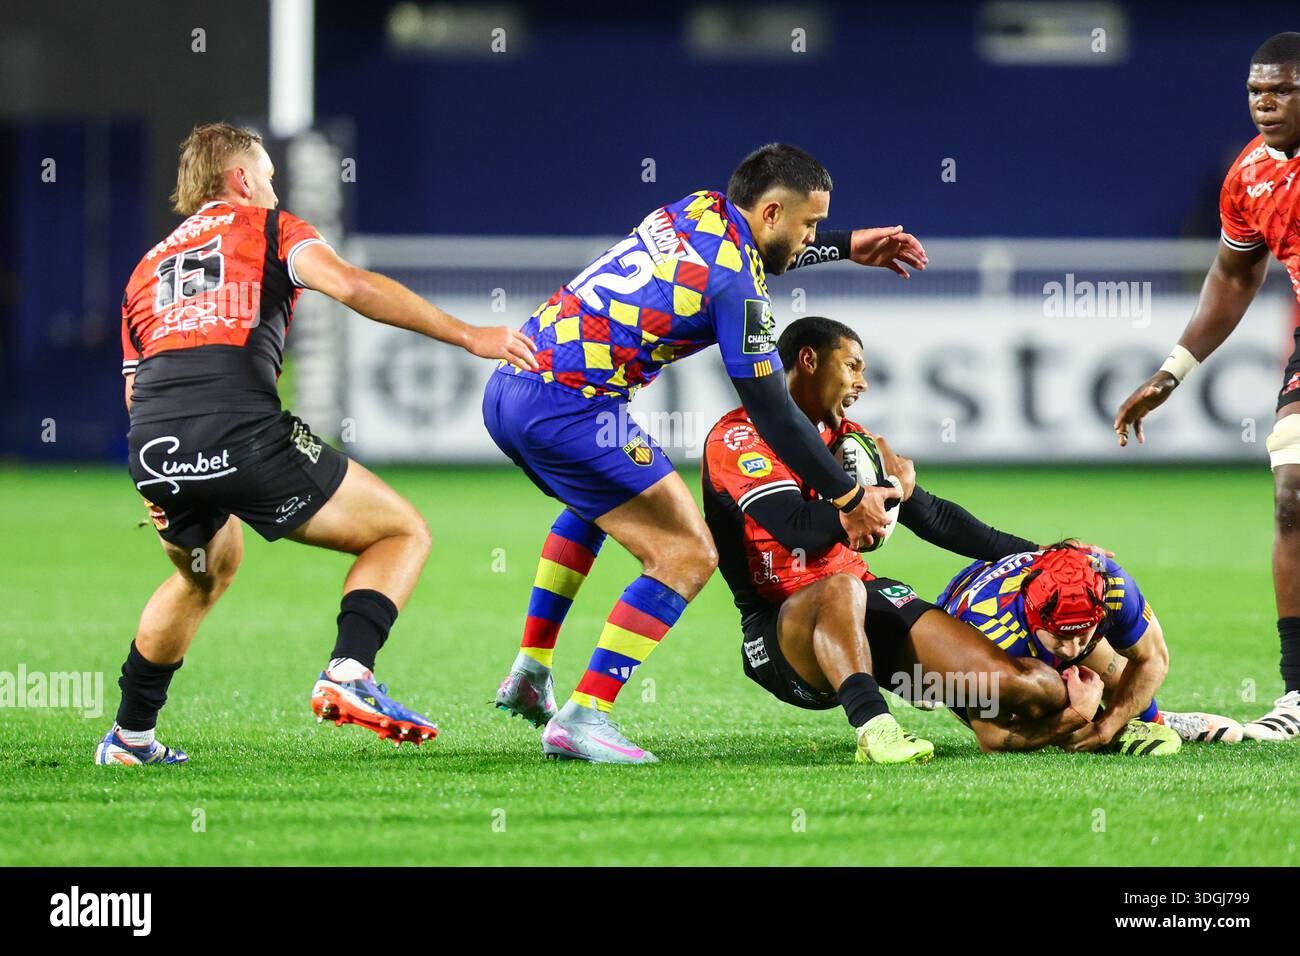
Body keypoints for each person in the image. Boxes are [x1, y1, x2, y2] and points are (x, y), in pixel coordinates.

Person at [98, 122, 536, 766]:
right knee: (400, 532)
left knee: (201, 576)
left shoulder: (146, 269)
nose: (274, 188)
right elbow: (353, 287)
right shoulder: (269, 230)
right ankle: (349, 672)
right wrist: (471, 335)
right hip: (239, 426)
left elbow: (137, 393)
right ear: (241, 179)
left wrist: (174, 469)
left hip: (154, 447)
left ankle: (129, 738)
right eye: (269, 175)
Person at [486, 144, 928, 763]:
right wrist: (849, 495)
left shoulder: (696, 208)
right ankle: (585, 715)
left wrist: (847, 245)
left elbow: (756, 257)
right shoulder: (737, 284)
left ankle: (532, 670)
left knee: (596, 506)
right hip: (569, 410)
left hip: (511, 386)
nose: (812, 236)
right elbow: (774, 411)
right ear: (772, 211)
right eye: (810, 224)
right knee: (687, 554)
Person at [701, 316, 1097, 764]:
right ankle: (876, 729)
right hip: (782, 635)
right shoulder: (740, 437)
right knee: (841, 588)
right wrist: (862, 501)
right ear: (809, 360)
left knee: (1032, 687)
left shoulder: (854, 442)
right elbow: (796, 529)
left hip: (865, 605)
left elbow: (936, 518)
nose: (862, 383)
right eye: (852, 366)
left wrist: (1048, 555)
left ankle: (1017, 727)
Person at [1113, 32, 1300, 740]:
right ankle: (1299, 694)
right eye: (1256, 91)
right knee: (1293, 498)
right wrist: (1173, 372)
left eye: (1281, 90)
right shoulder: (1250, 176)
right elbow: (1233, 274)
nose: (1264, 103)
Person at [938, 546, 1242, 752]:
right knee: (1049, 689)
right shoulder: (987, 632)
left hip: (1025, 626)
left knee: (1115, 672)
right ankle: (1115, 723)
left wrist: (1105, 727)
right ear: (1033, 617)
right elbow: (992, 740)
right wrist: (1071, 717)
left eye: (1082, 635)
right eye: (1059, 637)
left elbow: (1153, 659)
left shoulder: (1113, 586)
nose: (1071, 650)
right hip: (957, 664)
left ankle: (1153, 721)